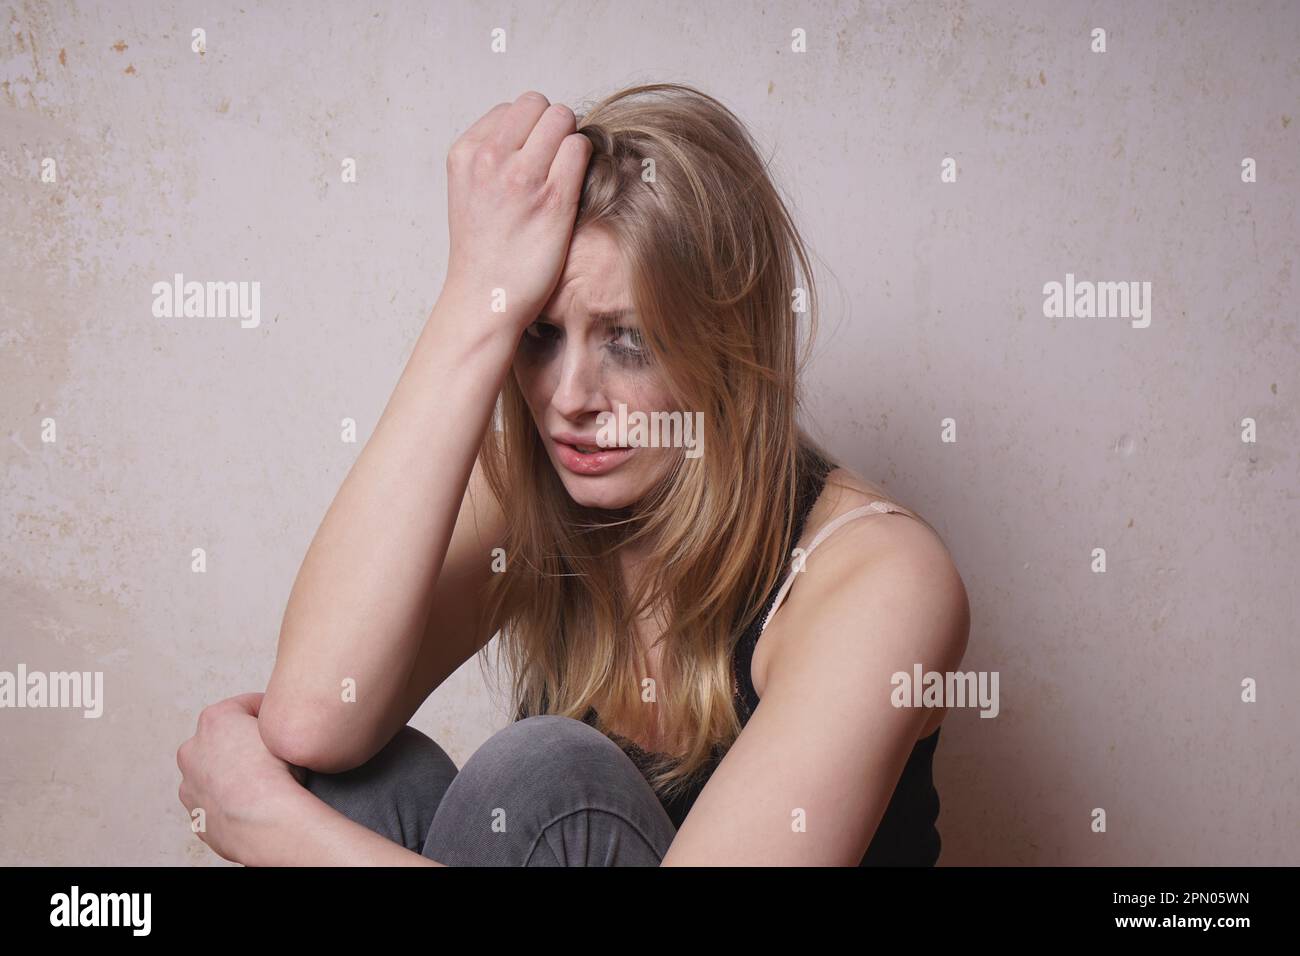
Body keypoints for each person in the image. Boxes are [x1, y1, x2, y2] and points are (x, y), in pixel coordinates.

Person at [176, 83, 970, 866]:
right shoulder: (536, 487)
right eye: (540, 334)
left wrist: (276, 832)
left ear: (729, 346)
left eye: (628, 342)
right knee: (356, 788)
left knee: (544, 780)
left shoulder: (882, 580)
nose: (568, 400)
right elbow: (314, 721)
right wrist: (474, 300)